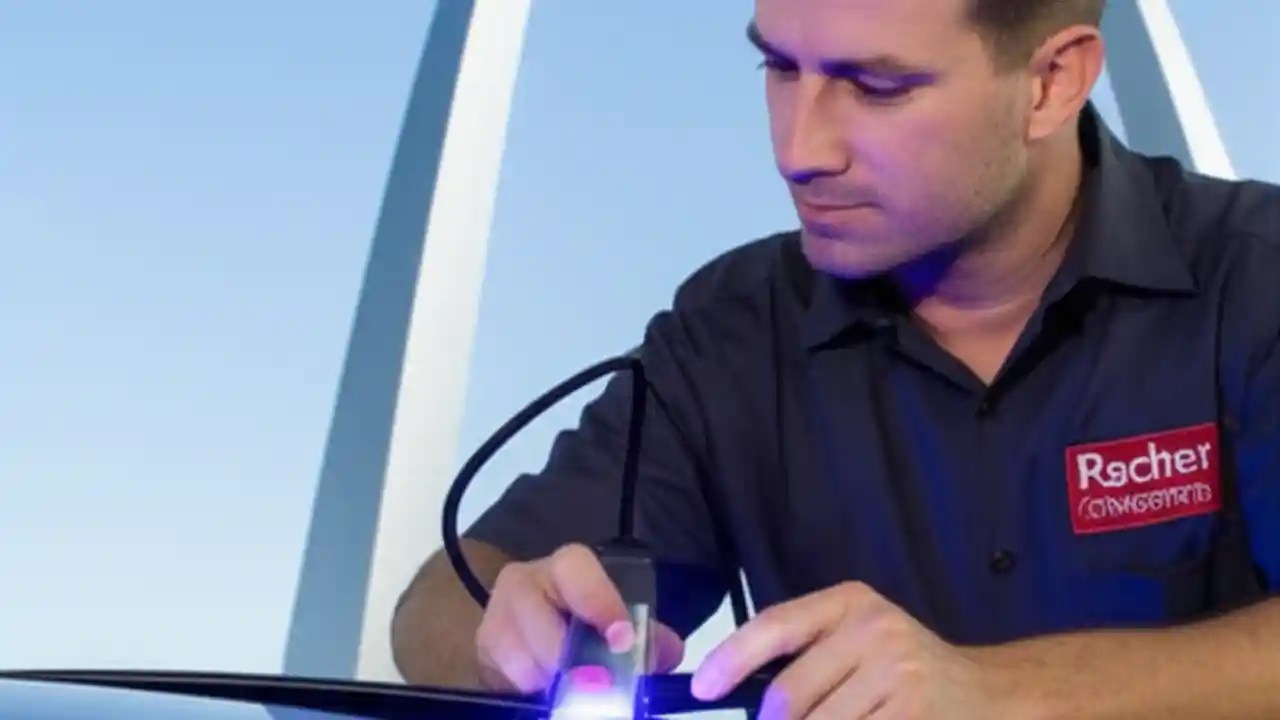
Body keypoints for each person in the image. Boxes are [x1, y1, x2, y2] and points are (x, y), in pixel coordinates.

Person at [391, 0, 1280, 716]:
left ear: (1052, 82)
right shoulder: (729, 334)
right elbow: (436, 604)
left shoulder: (1259, 272)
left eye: (877, 86)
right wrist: (504, 634)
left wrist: (1001, 693)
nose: (796, 150)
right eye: (779, 67)